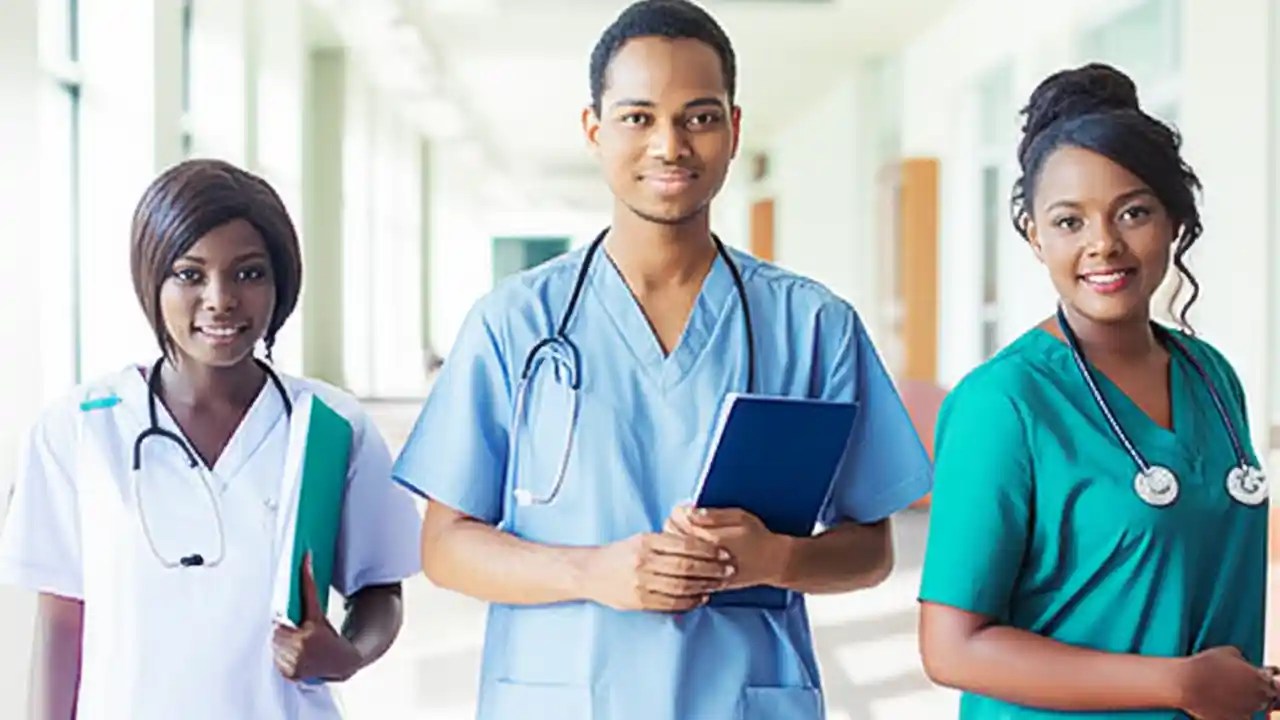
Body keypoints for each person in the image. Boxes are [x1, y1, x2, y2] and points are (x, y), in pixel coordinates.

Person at [391, 1, 933, 718]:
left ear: (734, 130)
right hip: (563, 698)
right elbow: (446, 546)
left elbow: (870, 549)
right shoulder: (514, 324)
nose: (670, 145)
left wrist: (777, 560)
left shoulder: (812, 325)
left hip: (741, 696)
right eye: (638, 117)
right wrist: (592, 572)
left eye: (700, 117)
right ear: (594, 129)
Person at [0, 159, 423, 719]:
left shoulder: (328, 424)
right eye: (189, 274)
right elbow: (59, 623)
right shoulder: (79, 428)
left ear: (281, 281)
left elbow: (380, 588)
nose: (220, 299)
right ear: (152, 278)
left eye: (249, 274)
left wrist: (346, 655)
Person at [917, 63, 1276, 719]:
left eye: (1133, 212)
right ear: (1034, 236)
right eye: (1069, 222)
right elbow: (952, 648)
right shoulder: (1001, 405)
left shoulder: (1212, 377)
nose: (1104, 245)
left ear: (1174, 219)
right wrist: (1180, 685)